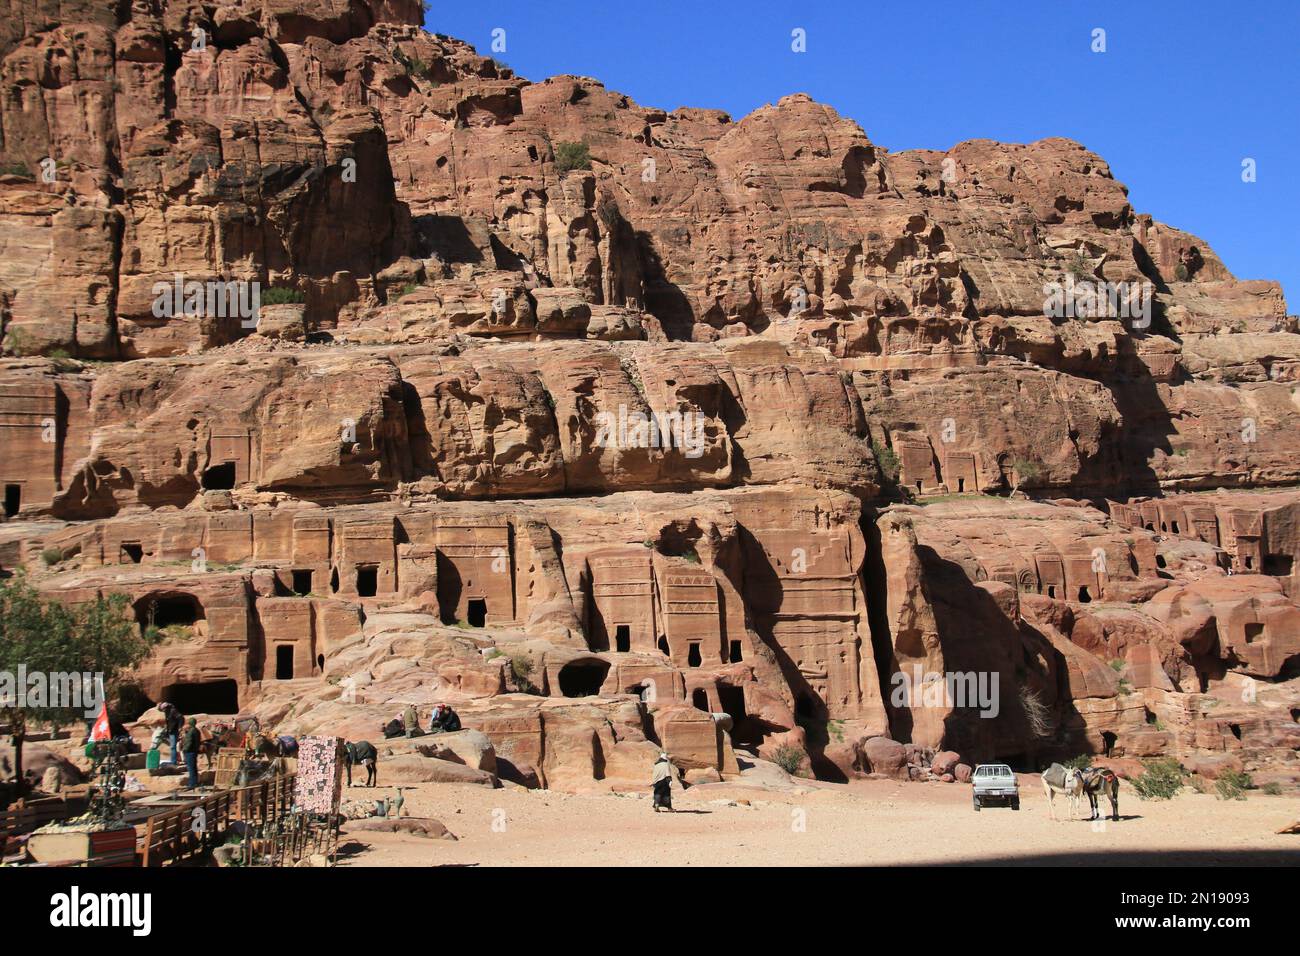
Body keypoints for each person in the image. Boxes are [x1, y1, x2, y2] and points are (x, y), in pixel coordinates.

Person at [180, 717, 202, 790]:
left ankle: (191, 784)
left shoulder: (191, 731)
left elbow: (189, 742)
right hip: (195, 751)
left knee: (191, 768)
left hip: (189, 752)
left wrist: (184, 750)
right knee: (194, 767)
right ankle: (195, 782)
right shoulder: (197, 731)